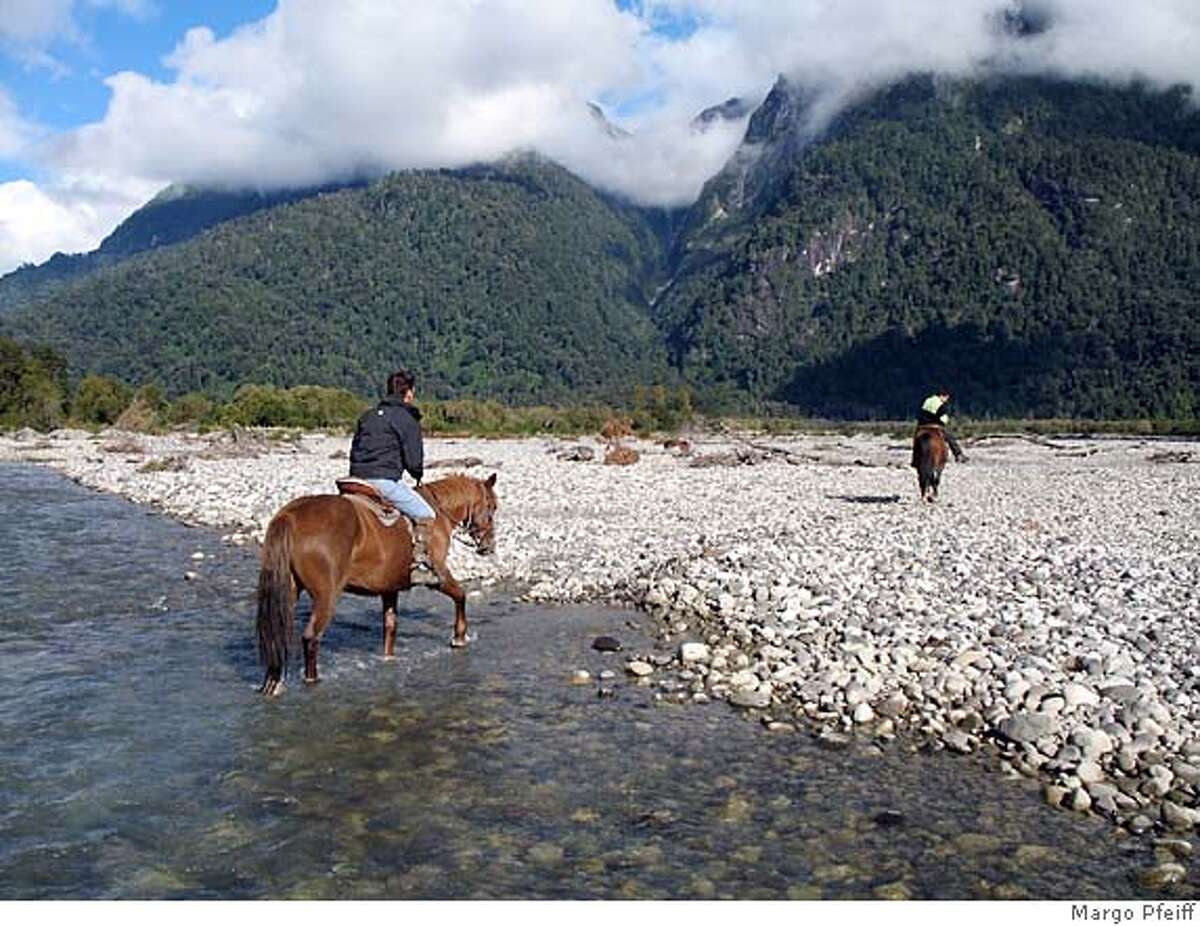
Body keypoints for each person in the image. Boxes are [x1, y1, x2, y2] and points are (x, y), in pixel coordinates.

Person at [349, 369, 438, 583]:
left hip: (354, 480)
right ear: (408, 393)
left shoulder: (367, 415)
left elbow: (355, 448)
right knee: (426, 513)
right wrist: (417, 473)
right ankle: (420, 565)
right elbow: (414, 461)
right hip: (383, 480)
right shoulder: (407, 418)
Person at [917, 390, 968, 462]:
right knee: (950, 438)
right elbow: (943, 419)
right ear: (942, 396)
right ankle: (958, 455)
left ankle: (915, 458)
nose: (946, 400)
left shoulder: (927, 400)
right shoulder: (940, 404)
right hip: (934, 425)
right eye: (946, 398)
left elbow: (921, 412)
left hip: (922, 425)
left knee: (917, 440)